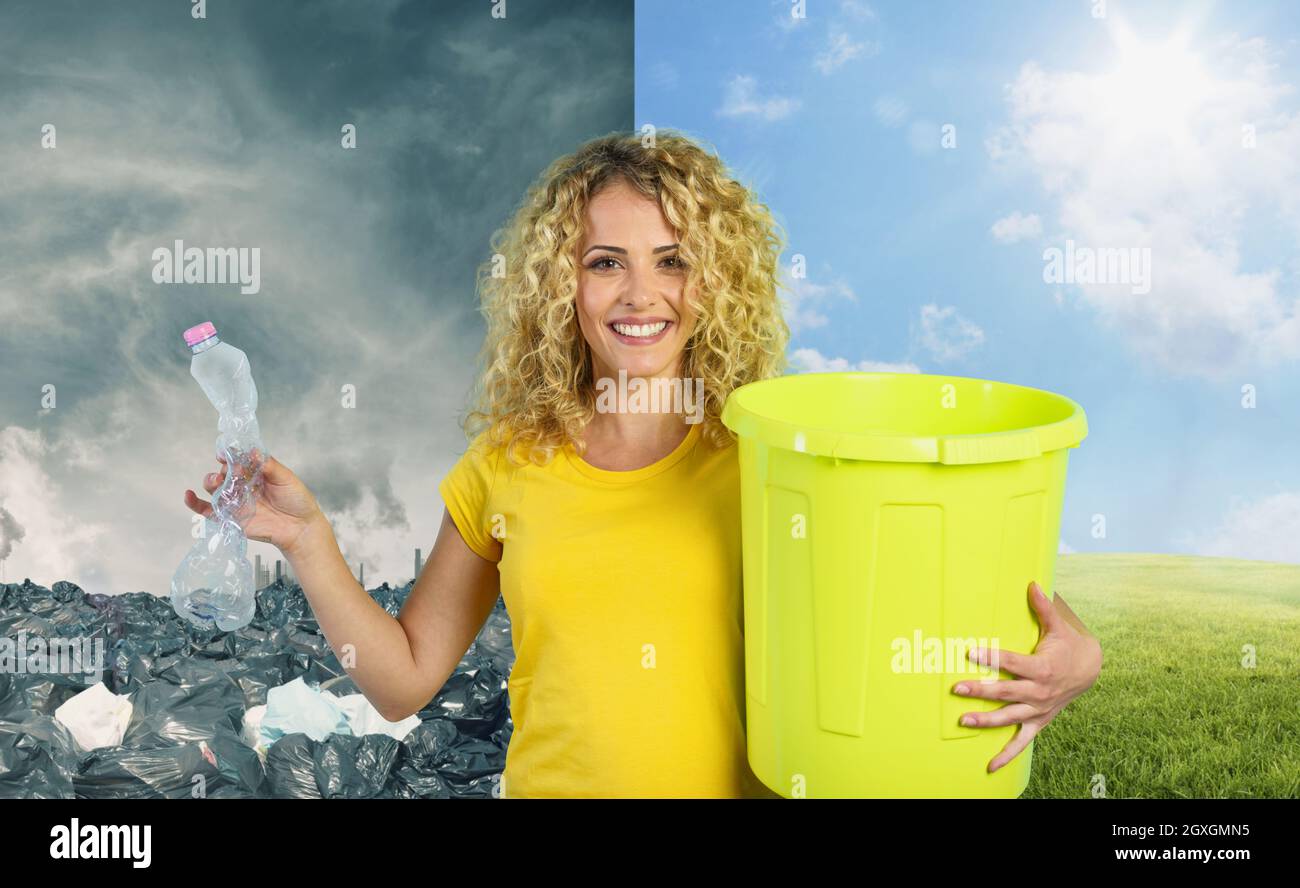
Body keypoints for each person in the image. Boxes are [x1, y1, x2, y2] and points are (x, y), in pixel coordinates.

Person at [183, 130, 1102, 798]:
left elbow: (923, 613)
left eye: (673, 260)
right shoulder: (506, 463)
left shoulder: (777, 458)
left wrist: (1078, 658)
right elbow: (402, 680)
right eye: (604, 262)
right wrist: (307, 541)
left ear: (717, 283)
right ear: (560, 286)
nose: (640, 294)